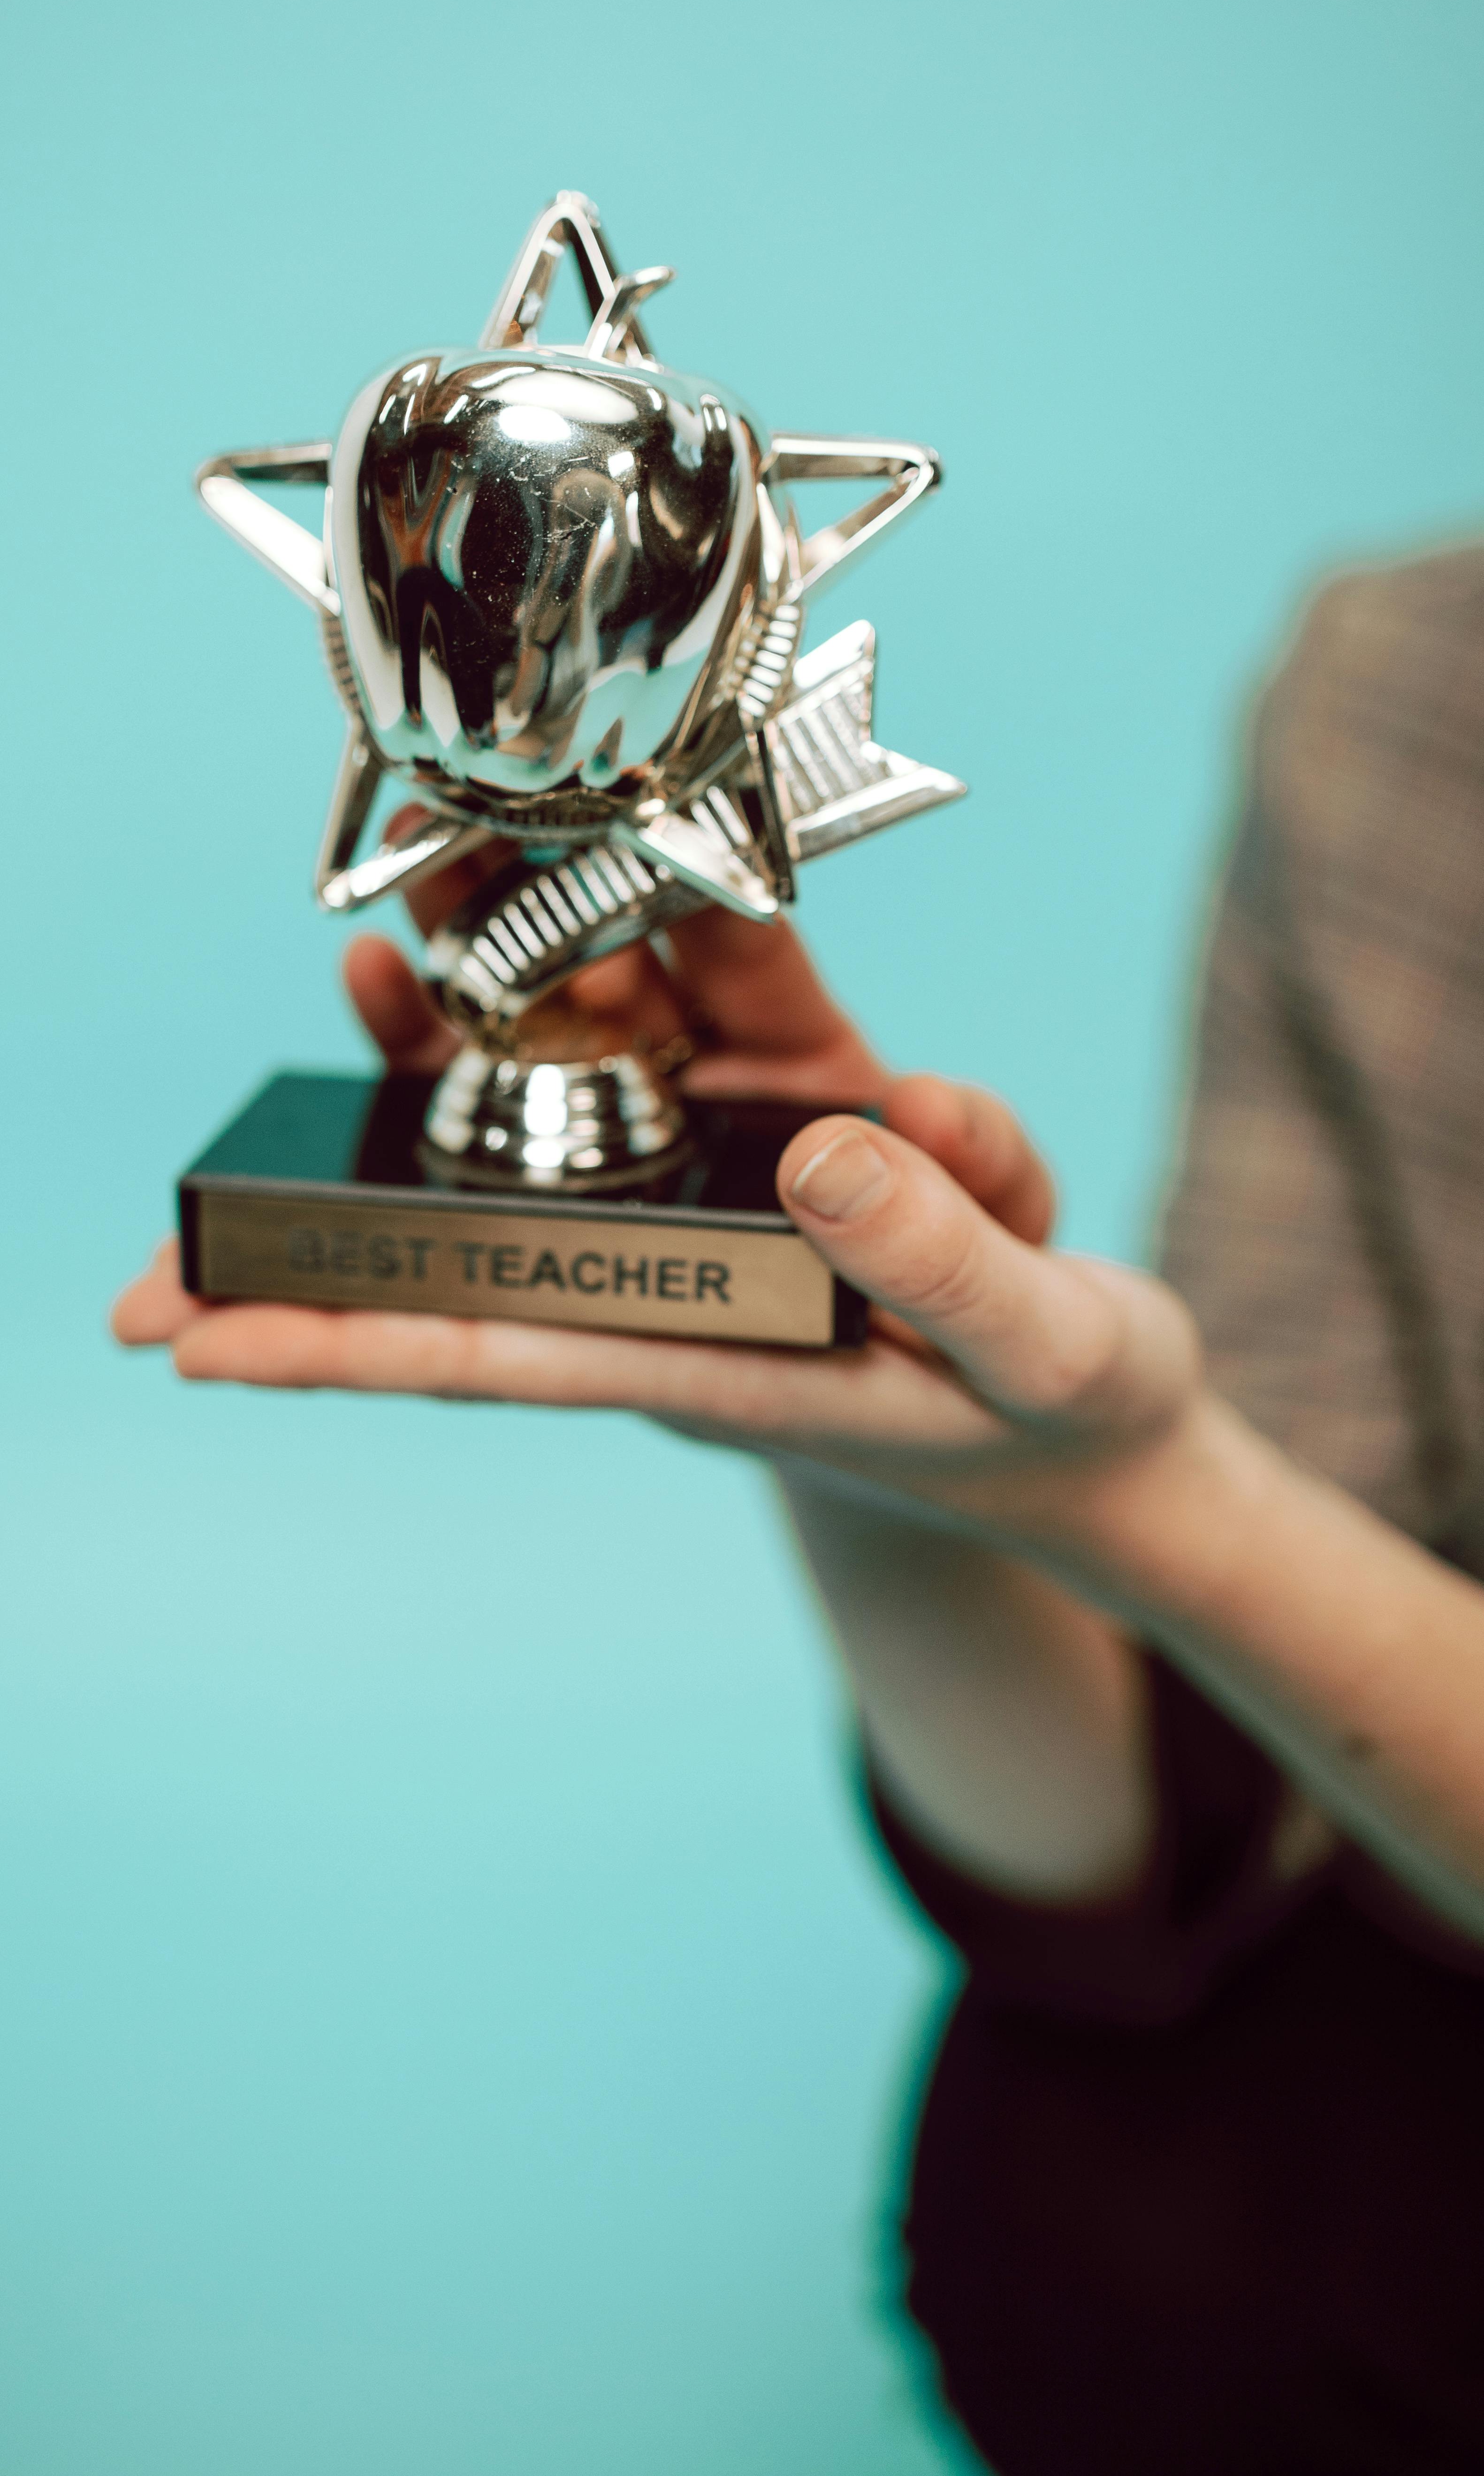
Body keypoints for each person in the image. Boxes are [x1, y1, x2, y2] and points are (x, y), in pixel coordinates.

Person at [114, 539, 1484, 2472]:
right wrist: (894, 1451)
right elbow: (1221, 1793)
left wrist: (1162, 1493)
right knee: (1095, 2171)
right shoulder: (1412, 684)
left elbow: (1227, 1534)